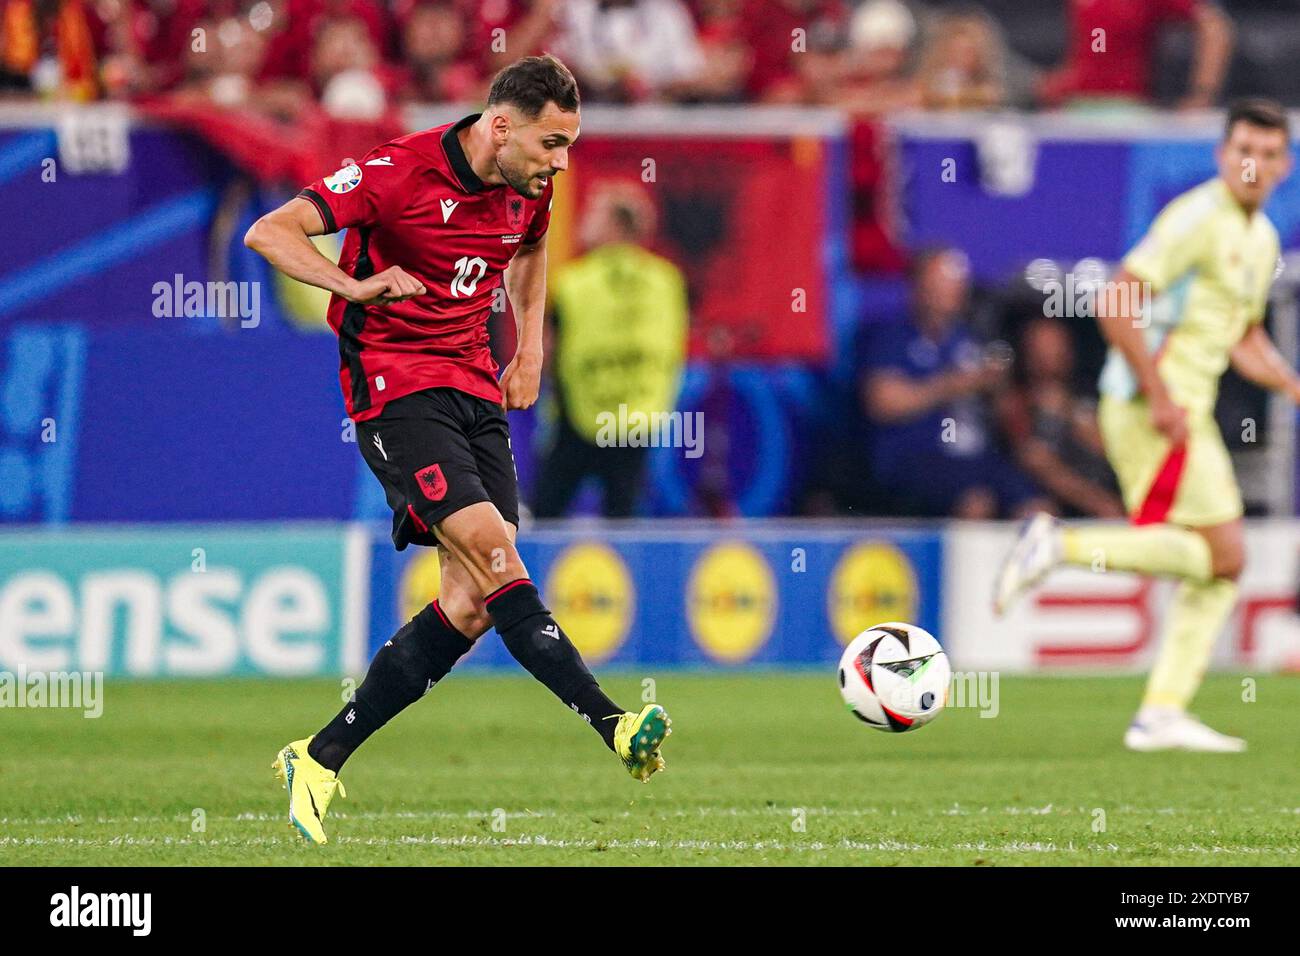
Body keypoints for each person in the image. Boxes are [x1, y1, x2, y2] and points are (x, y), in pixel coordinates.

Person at [243, 54, 671, 845]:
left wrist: (530, 348)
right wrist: (355, 287)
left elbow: (533, 251)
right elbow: (269, 231)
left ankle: (320, 755)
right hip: (396, 390)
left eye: (569, 146)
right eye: (551, 144)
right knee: (493, 551)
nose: (560, 163)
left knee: (472, 604)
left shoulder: (529, 188)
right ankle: (612, 723)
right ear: (500, 125)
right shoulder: (395, 172)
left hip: (476, 392)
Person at [995, 99, 1299, 753]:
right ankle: (1059, 547)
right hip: (1152, 407)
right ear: (1223, 155)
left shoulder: (1261, 237)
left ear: (1285, 165)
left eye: (1270, 153)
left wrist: (1291, 383)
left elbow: (1240, 334)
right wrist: (1159, 394)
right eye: (1245, 149)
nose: (1256, 164)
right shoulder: (1197, 218)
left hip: (1188, 410)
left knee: (1219, 565)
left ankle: (1161, 711)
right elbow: (1115, 299)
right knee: (1222, 558)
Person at [532, 181, 689, 518]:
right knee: (623, 519)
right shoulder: (667, 280)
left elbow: (546, 348)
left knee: (545, 513)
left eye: (593, 213)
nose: (583, 220)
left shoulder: (574, 282)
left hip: (576, 417)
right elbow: (674, 347)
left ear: (616, 225)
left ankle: (529, 573)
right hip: (638, 418)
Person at [859, 246, 1047, 519]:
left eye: (956, 283)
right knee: (976, 500)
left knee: (1035, 503)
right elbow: (881, 402)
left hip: (976, 458)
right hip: (915, 457)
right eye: (941, 283)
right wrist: (953, 385)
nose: (951, 291)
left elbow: (1007, 414)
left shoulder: (973, 338)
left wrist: (1001, 392)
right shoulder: (891, 337)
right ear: (918, 286)